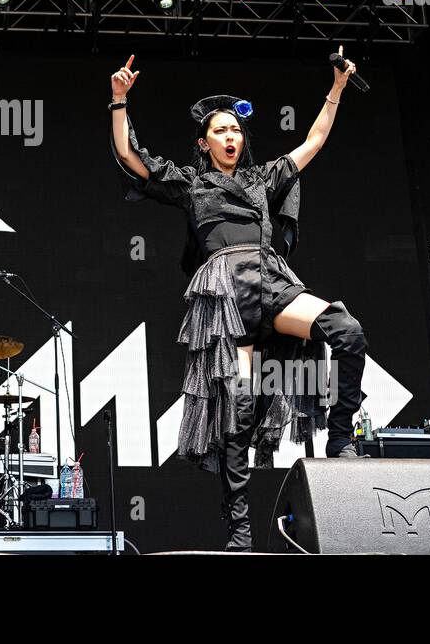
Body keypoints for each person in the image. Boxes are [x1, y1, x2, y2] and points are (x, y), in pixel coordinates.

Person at [109, 51, 368, 551]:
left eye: (236, 130)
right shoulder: (190, 182)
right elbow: (130, 157)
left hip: (270, 277)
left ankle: (341, 438)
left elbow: (313, 140)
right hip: (226, 291)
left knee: (347, 331)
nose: (231, 137)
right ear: (204, 144)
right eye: (220, 131)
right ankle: (241, 534)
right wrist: (119, 100)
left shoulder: (262, 179)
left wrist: (335, 87)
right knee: (239, 412)